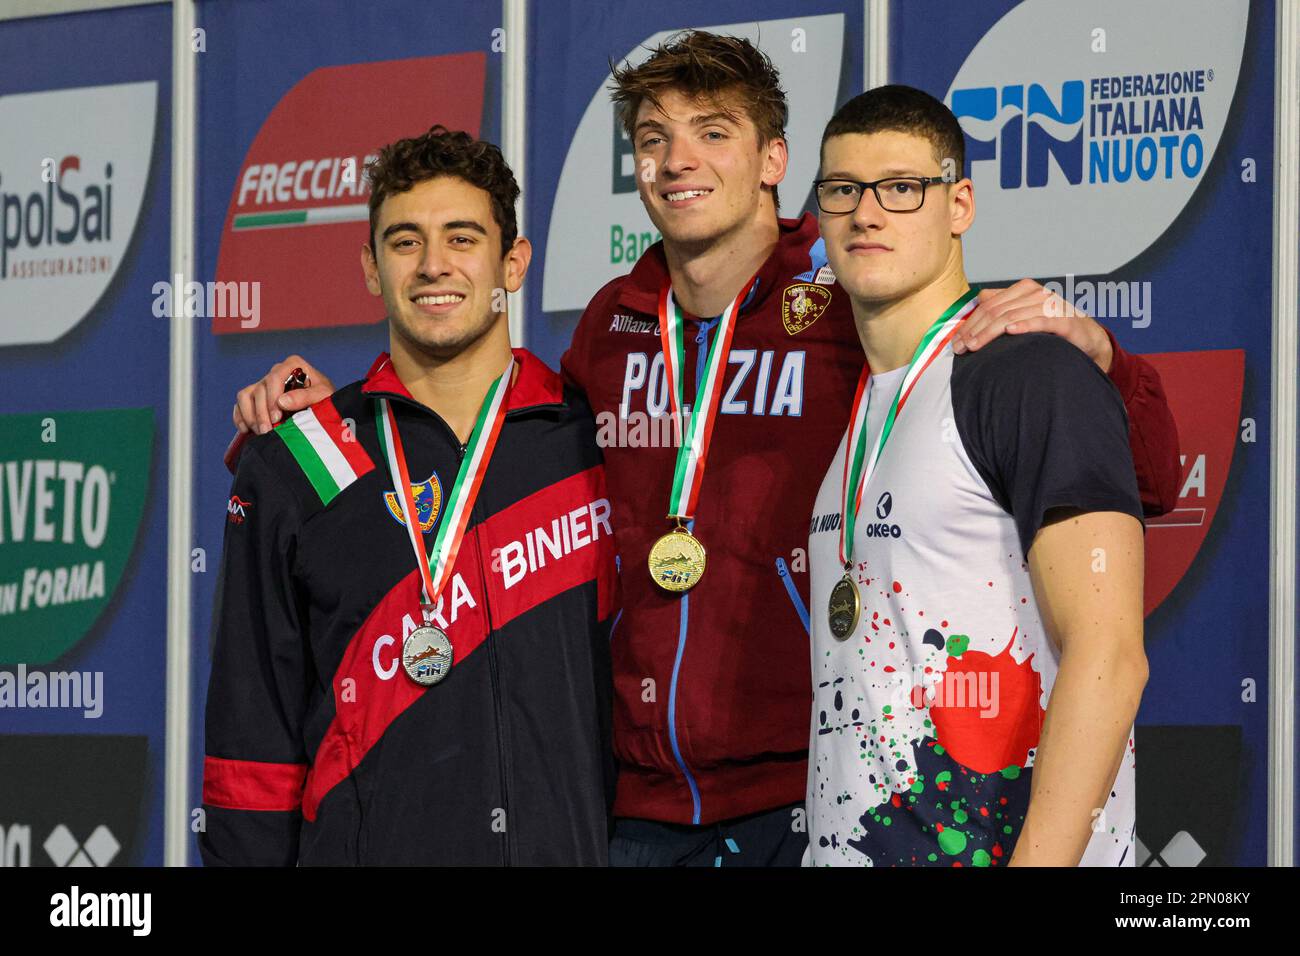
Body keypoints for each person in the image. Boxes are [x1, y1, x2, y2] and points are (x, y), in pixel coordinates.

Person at [228, 32, 1178, 867]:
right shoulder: (610, 327)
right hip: (632, 806)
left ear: (774, 159)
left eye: (712, 132)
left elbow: (1141, 476)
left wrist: (1104, 356)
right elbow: (478, 423)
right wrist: (336, 411)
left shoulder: (848, 298)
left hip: (808, 797)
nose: (677, 160)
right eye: (652, 139)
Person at [202, 127, 617, 865]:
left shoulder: (594, 444)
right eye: (403, 242)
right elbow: (251, 738)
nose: (433, 266)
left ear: (513, 264)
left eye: (462, 238)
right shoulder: (301, 460)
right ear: (370, 267)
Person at [806, 85, 1147, 866]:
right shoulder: (858, 401)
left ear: (959, 203)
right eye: (842, 191)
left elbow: (1110, 653)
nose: (866, 213)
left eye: (901, 189)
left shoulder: (1028, 373)